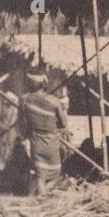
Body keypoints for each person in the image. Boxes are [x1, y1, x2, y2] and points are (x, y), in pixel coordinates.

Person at [18, 66, 67, 196]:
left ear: (29, 83)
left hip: (35, 142)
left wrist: (27, 136)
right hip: (51, 142)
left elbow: (22, 124)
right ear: (44, 83)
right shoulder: (54, 101)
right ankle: (42, 198)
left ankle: (41, 198)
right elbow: (63, 123)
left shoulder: (24, 99)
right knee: (56, 175)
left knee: (40, 177)